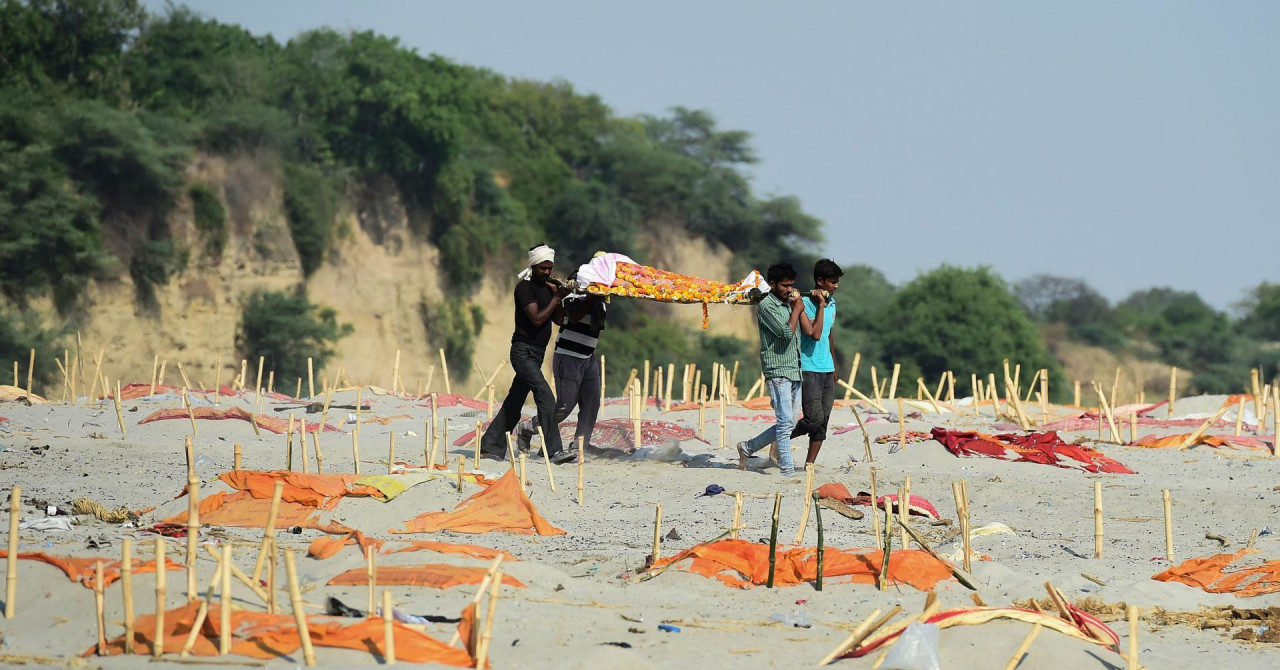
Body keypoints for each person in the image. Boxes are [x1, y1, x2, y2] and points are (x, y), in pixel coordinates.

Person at [480, 244, 577, 464]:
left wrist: (560, 297)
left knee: (515, 400)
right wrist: (555, 298)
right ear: (533, 267)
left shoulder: (549, 289)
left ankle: (490, 446)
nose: (547, 272)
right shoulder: (524, 288)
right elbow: (537, 319)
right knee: (545, 395)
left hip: (537, 354)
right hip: (522, 352)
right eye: (543, 268)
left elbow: (559, 320)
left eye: (550, 268)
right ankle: (554, 451)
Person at [515, 271, 606, 455]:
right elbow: (572, 317)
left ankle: (579, 447)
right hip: (568, 356)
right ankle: (528, 428)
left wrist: (599, 298)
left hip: (588, 357)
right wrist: (591, 296)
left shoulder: (601, 300)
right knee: (564, 406)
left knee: (591, 402)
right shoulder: (572, 294)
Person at [737, 262, 806, 477]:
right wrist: (797, 309)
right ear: (773, 284)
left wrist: (797, 307)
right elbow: (785, 333)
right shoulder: (767, 306)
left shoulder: (788, 304)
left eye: (791, 285)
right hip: (778, 370)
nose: (789, 289)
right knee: (784, 423)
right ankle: (787, 472)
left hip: (794, 368)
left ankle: (747, 447)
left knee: (790, 423)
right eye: (785, 285)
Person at [791, 259, 843, 466]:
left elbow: (828, 335)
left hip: (826, 368)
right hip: (808, 367)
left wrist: (834, 365)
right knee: (813, 419)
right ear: (820, 281)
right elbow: (814, 334)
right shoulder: (805, 303)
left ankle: (809, 466)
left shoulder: (833, 303)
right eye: (832, 282)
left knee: (823, 422)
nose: (836, 286)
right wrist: (820, 305)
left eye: (837, 282)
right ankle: (779, 440)